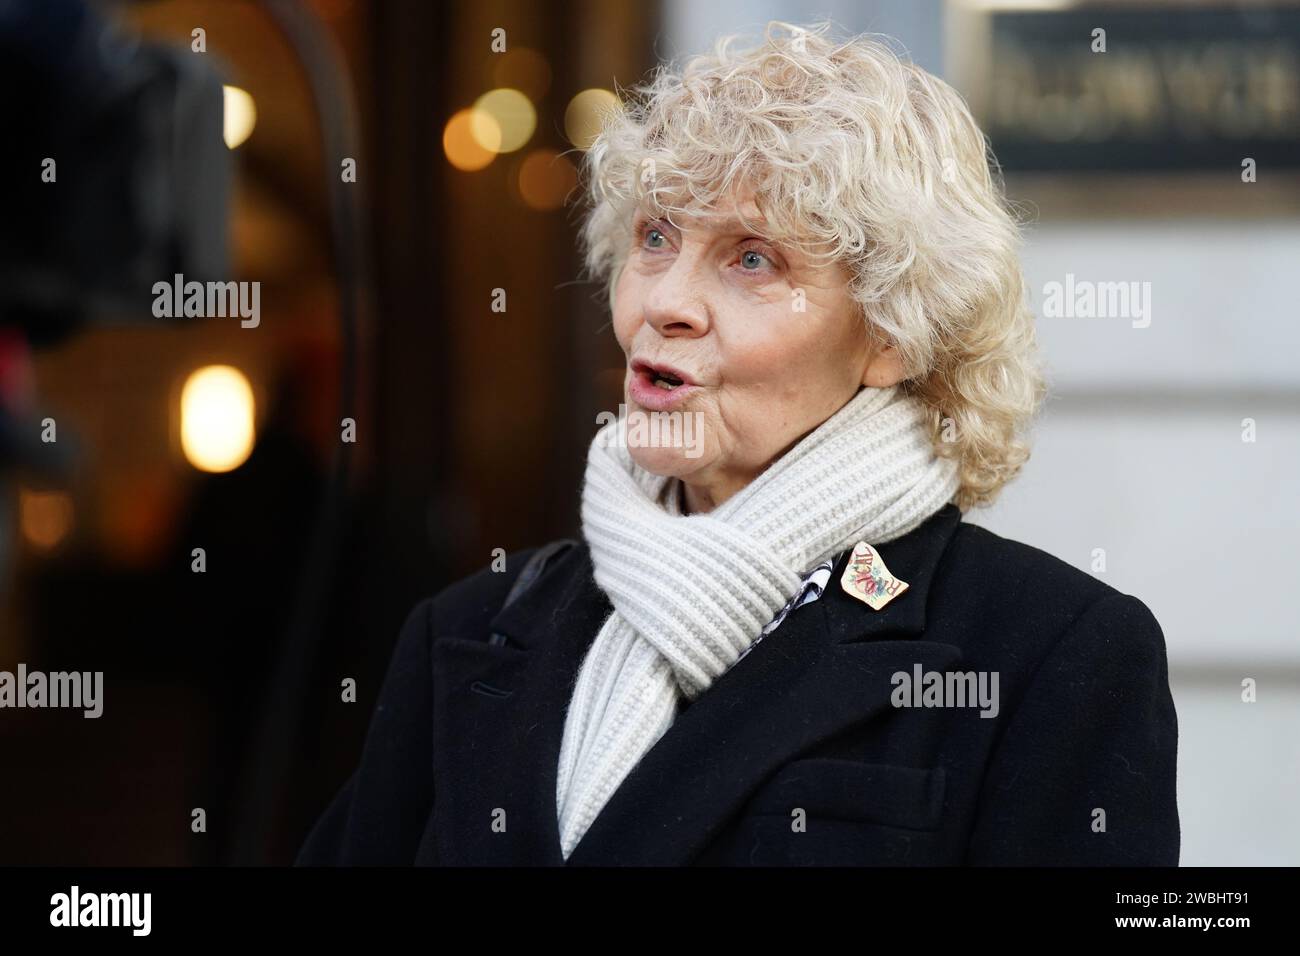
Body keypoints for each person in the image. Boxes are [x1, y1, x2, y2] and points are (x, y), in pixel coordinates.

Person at [296, 20, 1178, 866]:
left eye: (753, 258)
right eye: (654, 237)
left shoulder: (1049, 654)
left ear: (891, 337)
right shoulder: (472, 629)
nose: (663, 303)